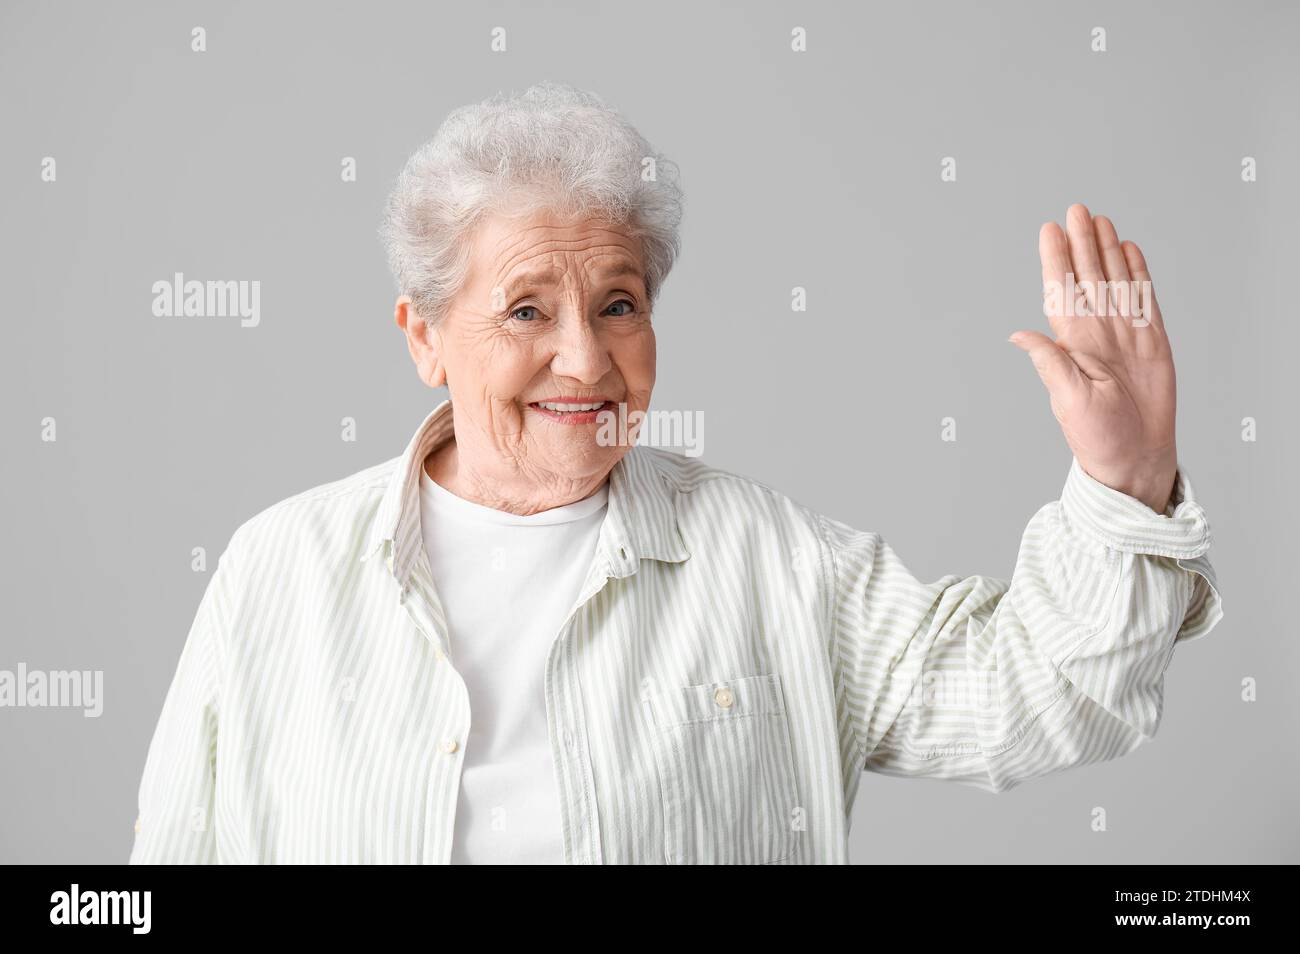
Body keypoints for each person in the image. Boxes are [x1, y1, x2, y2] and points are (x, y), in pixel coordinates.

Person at [128, 81, 1222, 865]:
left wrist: (1123, 481)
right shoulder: (281, 569)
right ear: (423, 337)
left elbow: (1040, 698)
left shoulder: (771, 560)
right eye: (525, 310)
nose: (586, 359)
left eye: (619, 305)